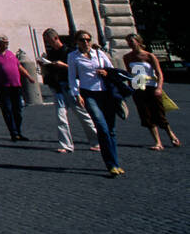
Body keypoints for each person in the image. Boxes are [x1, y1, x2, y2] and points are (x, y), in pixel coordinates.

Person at [68, 30, 124, 175]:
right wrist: (76, 94)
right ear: (76, 42)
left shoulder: (99, 54)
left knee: (111, 130)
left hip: (106, 93)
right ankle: (110, 164)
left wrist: (106, 73)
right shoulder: (73, 57)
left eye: (88, 39)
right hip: (89, 93)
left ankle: (116, 163)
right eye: (82, 40)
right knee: (102, 127)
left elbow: (111, 70)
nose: (85, 42)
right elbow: (72, 77)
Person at [37, 28, 100, 155]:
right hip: (58, 87)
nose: (48, 43)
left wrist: (63, 65)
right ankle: (66, 145)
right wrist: (44, 65)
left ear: (55, 38)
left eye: (48, 40)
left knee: (83, 115)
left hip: (70, 86)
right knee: (61, 117)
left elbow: (78, 69)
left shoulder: (70, 52)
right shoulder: (51, 53)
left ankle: (96, 141)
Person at [124, 34, 180, 150]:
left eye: (132, 41)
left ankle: (171, 134)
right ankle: (158, 142)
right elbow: (130, 74)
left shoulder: (149, 56)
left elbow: (159, 73)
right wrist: (131, 88)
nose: (130, 44)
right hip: (138, 88)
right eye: (128, 42)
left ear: (139, 41)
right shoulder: (127, 57)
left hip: (151, 87)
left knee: (159, 113)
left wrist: (159, 88)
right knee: (145, 115)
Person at [0, 34, 35, 141]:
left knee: (18, 110)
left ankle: (18, 131)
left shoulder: (11, 54)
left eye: (7, 42)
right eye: (5, 42)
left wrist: (29, 77)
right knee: (7, 110)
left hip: (16, 86)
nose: (7, 44)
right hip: (2, 87)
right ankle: (13, 133)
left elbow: (19, 66)